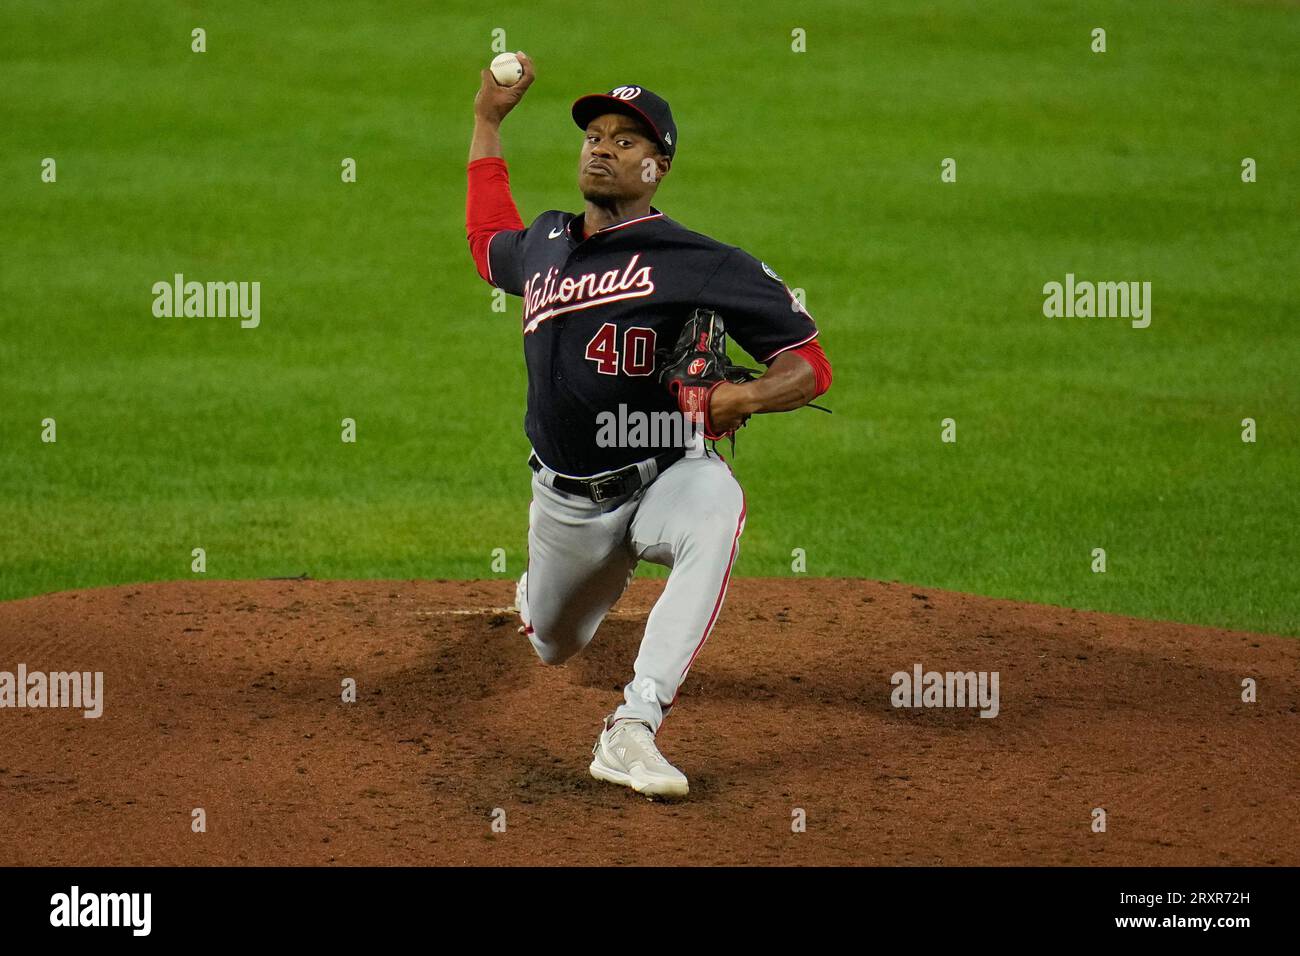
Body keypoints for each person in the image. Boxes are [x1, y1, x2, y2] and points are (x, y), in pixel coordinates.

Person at [464, 53, 833, 798]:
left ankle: (633, 725)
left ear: (657, 167)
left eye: (625, 140)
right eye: (594, 135)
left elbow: (809, 363)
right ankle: (539, 598)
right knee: (555, 646)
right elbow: (484, 240)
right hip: (568, 499)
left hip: (667, 467)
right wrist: (486, 121)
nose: (602, 147)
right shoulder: (543, 242)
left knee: (718, 507)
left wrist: (746, 398)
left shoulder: (701, 261)